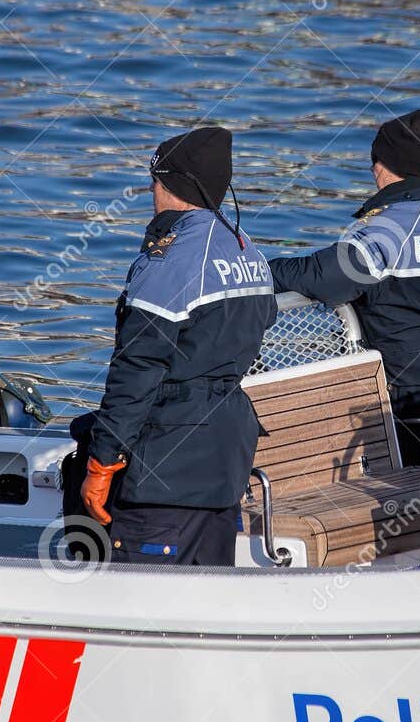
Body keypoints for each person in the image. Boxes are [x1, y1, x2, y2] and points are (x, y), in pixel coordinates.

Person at [77, 126, 277, 566]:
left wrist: (102, 463)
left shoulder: (170, 260)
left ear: (172, 186)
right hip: (225, 462)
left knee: (140, 608)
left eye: (155, 182)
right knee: (209, 606)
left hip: (166, 467)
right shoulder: (250, 254)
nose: (152, 191)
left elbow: (136, 373)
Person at [266, 107, 420, 464]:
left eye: (375, 161)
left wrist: (251, 273)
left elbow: (320, 276)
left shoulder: (390, 227)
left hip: (414, 401)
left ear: (388, 167)